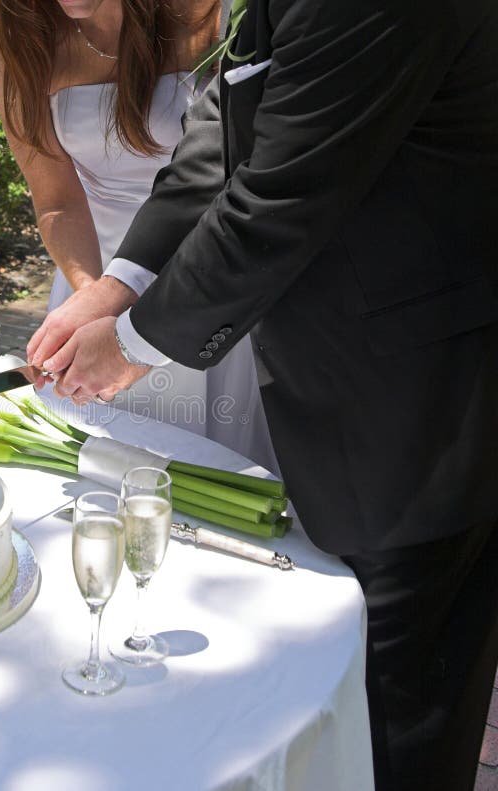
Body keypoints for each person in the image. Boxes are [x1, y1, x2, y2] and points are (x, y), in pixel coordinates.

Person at [26, 0, 498, 788]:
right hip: (347, 404)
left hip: (422, 420)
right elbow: (227, 114)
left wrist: (136, 346)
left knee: (397, 733)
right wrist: (118, 284)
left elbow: (280, 193)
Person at [0, 0, 279, 472]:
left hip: (213, 279)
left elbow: (245, 165)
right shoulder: (12, 37)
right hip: (94, 276)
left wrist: (135, 316)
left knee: (224, 479)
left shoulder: (206, 10)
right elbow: (57, 199)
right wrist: (95, 302)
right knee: (107, 474)